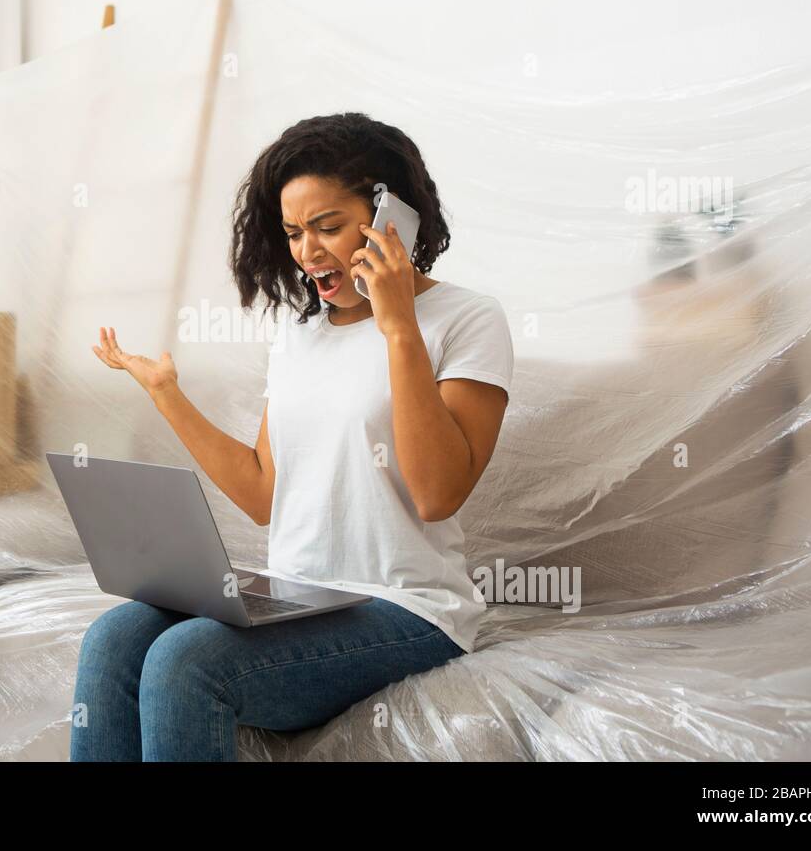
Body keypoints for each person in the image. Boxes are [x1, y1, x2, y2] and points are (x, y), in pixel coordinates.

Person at [71, 112, 514, 761]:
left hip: (408, 607)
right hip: (298, 596)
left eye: (328, 227)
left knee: (186, 661)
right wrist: (166, 393)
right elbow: (263, 494)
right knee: (113, 638)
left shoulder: (467, 318)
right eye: (294, 233)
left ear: (392, 217)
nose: (307, 252)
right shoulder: (299, 334)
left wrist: (397, 326)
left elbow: (437, 493)